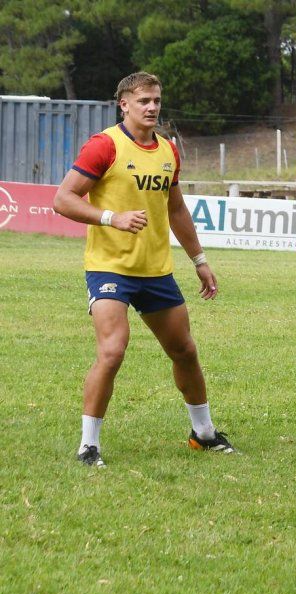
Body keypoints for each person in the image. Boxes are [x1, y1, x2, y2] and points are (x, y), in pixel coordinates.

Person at [52, 71, 236, 467]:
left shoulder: (168, 150)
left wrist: (200, 260)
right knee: (113, 350)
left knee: (184, 350)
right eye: (143, 101)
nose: (151, 107)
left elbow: (175, 209)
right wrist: (109, 217)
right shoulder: (104, 146)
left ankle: (203, 434)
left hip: (156, 271)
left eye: (156, 100)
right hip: (110, 269)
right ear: (124, 105)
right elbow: (63, 199)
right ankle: (88, 445)